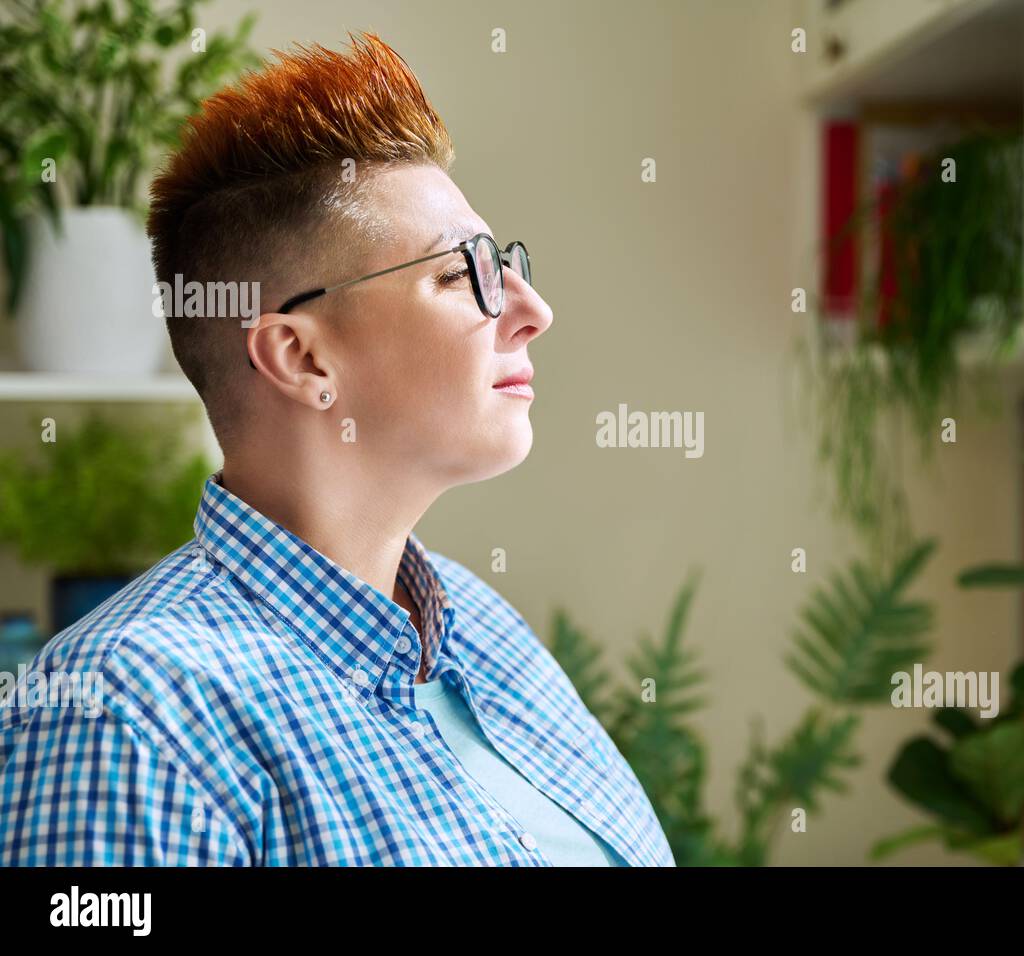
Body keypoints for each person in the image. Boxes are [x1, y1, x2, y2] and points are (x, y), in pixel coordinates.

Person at [0, 33, 674, 867]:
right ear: (301, 356)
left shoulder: (489, 636)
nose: (532, 309)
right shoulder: (125, 716)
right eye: (465, 273)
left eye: (505, 263)